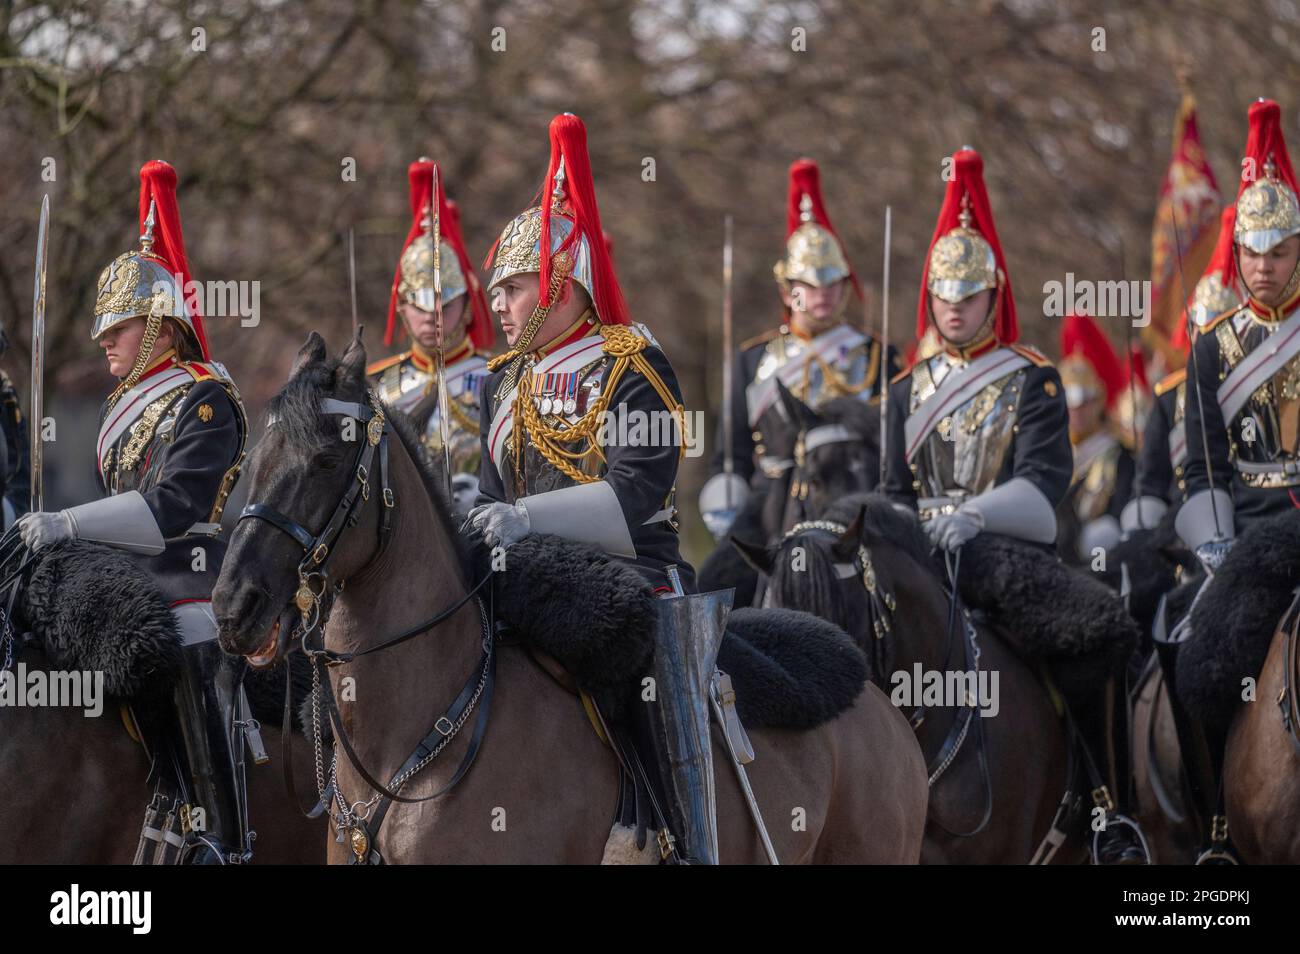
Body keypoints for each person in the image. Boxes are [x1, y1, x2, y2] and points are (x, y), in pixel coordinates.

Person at [883, 147, 1147, 863]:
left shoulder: (1035, 380)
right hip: (920, 555)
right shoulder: (904, 389)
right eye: (943, 294)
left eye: (967, 295)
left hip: (1004, 552)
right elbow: (889, 492)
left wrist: (974, 516)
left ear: (993, 294)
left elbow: (1042, 488)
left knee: (1099, 635)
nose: (954, 307)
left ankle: (1107, 812)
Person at [467, 113, 716, 862]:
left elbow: (633, 494)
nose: (500, 306)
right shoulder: (500, 383)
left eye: (512, 289)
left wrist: (522, 517)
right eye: (498, 292)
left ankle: (655, 820)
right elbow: (489, 494)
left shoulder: (630, 361)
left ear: (558, 283)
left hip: (629, 567)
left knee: (616, 635)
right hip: (525, 572)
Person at [17, 160, 250, 864]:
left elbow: (171, 508)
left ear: (158, 325)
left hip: (192, 580)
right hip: (123, 583)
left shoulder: (205, 398)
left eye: (116, 327)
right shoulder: (123, 408)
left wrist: (69, 523)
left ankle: (216, 831)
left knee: (176, 634)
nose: (102, 340)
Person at [1172, 99, 1300, 861]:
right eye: (1251, 252)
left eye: (1277, 252)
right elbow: (1203, 465)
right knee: (1195, 658)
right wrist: (1213, 541)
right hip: (1247, 541)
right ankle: (1216, 828)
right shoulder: (1213, 347)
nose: (1262, 265)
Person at [700, 159, 900, 539]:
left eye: (831, 284)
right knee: (721, 577)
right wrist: (725, 502)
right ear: (786, 289)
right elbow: (732, 456)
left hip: (854, 502)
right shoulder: (753, 360)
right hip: (769, 508)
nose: (822, 295)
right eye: (808, 285)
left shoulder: (877, 355)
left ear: (844, 287)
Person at [368, 159, 495, 517]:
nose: (431, 314)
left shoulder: (497, 380)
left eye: (443, 302)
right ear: (403, 308)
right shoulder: (378, 386)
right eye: (419, 303)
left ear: (468, 308)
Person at [1123, 207, 1241, 534]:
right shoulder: (1169, 397)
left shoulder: (1250, 379)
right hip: (1180, 534)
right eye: (1199, 331)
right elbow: (1150, 484)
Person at [1057, 312, 1136, 560]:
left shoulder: (1120, 453)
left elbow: (1121, 510)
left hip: (1097, 561)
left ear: (1099, 402)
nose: (1077, 410)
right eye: (1070, 401)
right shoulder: (1049, 451)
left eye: (1085, 400)